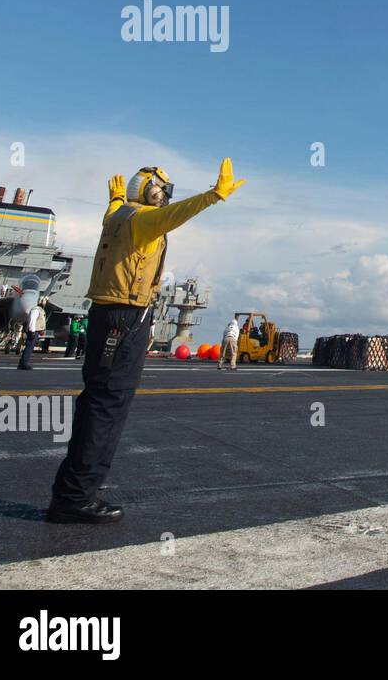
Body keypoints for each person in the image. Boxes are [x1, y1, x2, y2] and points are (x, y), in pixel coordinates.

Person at [48, 159, 245, 524]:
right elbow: (176, 215)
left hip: (106, 316)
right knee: (109, 404)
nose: (165, 197)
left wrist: (118, 196)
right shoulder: (142, 222)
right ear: (152, 190)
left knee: (96, 401)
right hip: (125, 319)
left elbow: (115, 207)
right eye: (163, 190)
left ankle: (72, 489)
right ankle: (75, 498)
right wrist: (213, 196)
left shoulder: (116, 215)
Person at [18, 298, 47, 371]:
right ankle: (24, 363)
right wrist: (32, 331)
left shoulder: (40, 310)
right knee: (29, 347)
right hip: (33, 331)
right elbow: (32, 321)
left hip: (36, 331)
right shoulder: (36, 310)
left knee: (29, 347)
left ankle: (22, 363)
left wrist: (41, 330)